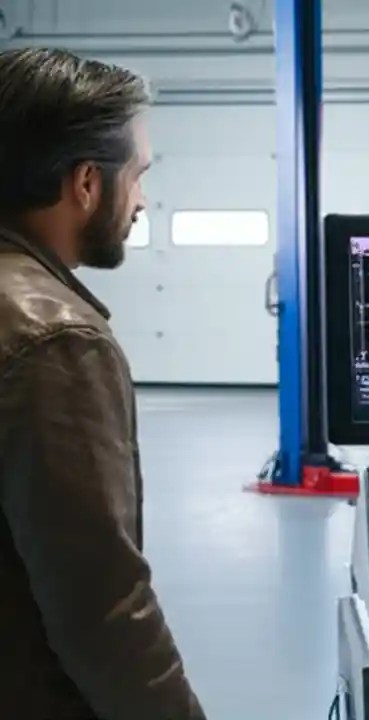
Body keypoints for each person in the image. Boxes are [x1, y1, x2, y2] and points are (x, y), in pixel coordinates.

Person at [0, 48, 206, 719]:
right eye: (138, 175)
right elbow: (101, 604)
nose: (143, 199)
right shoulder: (56, 339)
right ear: (87, 182)